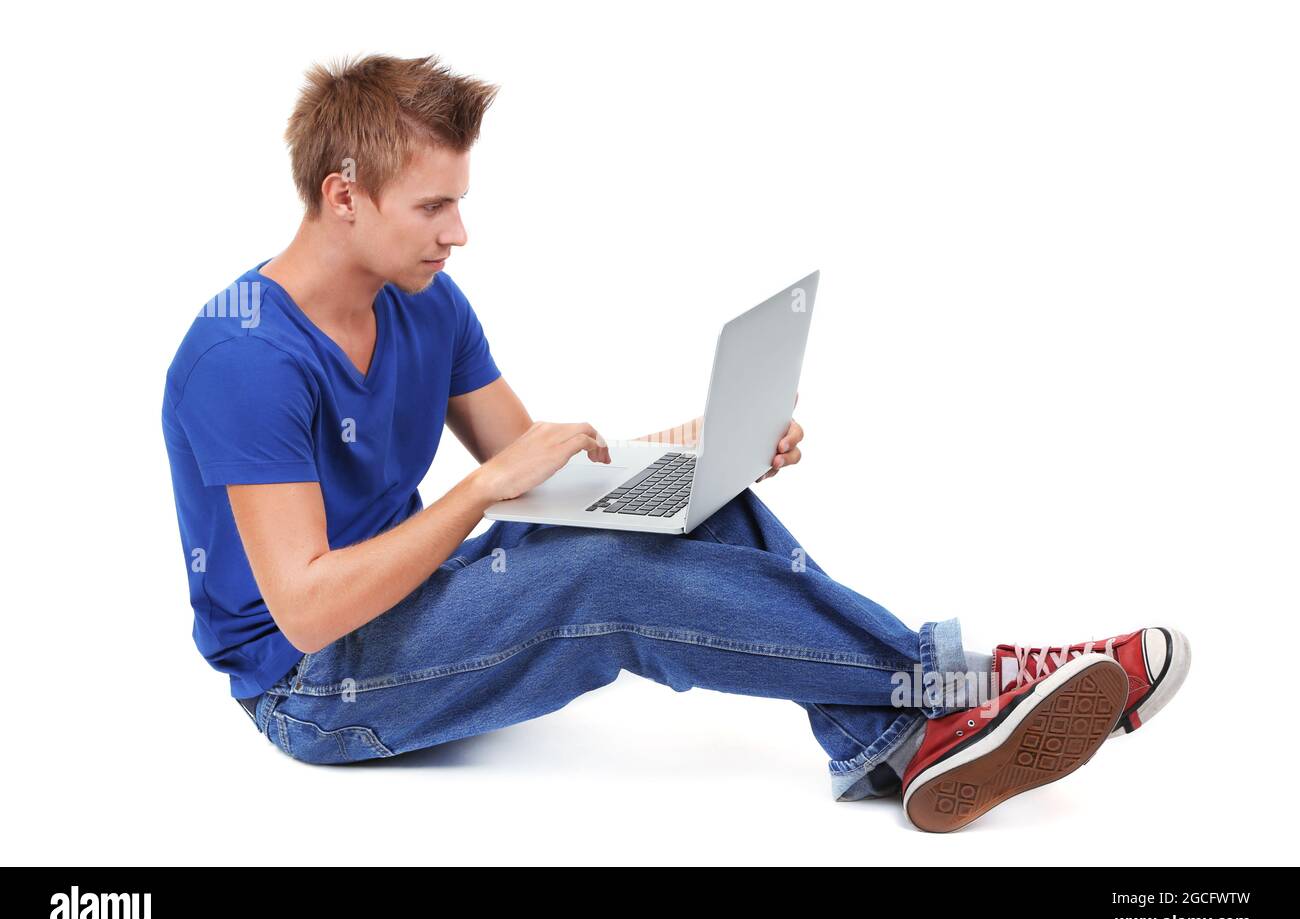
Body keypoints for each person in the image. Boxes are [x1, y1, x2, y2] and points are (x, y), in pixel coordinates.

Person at [161, 54, 1190, 832]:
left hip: (413, 607)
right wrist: (475, 497)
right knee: (613, 581)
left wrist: (700, 450)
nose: (459, 232)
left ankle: (906, 729)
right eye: (434, 206)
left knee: (698, 506)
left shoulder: (427, 302)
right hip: (317, 689)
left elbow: (547, 484)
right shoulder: (241, 356)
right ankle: (963, 682)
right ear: (343, 197)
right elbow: (304, 610)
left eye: (460, 202)